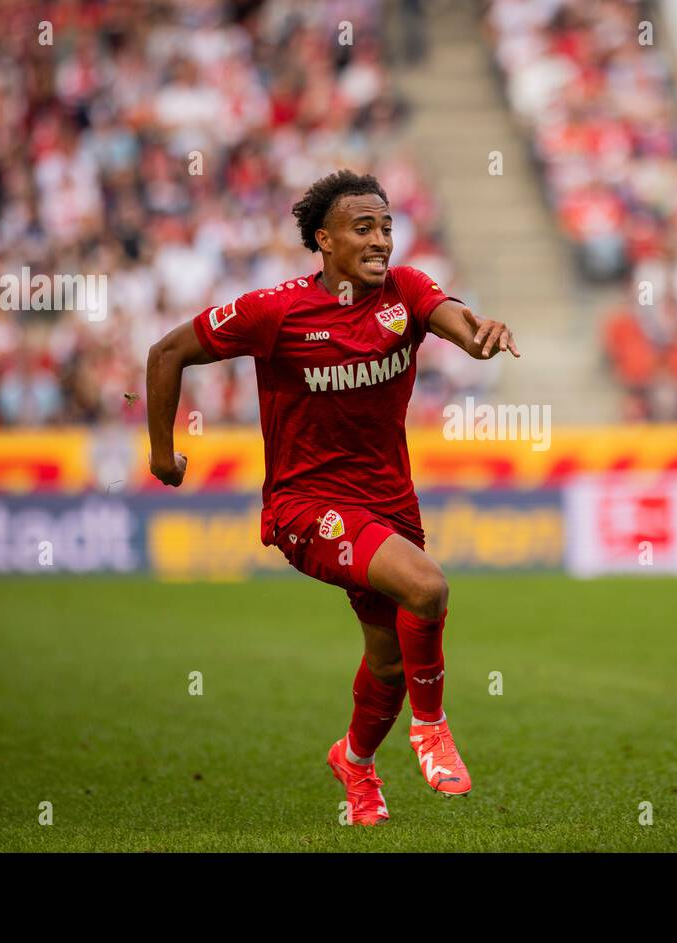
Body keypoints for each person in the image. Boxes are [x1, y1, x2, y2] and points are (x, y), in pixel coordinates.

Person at [144, 170, 519, 825]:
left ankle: (356, 761)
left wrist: (476, 332)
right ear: (325, 240)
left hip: (389, 501)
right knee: (427, 589)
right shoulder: (276, 311)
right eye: (363, 228)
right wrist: (160, 452)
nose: (381, 240)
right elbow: (166, 351)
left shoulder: (405, 290)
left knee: (390, 662)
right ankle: (431, 729)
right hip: (303, 503)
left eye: (386, 227)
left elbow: (448, 315)